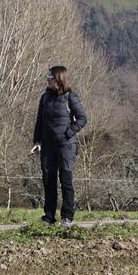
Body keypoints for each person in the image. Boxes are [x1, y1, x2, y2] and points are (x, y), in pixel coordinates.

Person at [30, 65, 88, 227]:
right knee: (49, 182)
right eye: (47, 77)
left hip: (66, 147)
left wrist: (67, 134)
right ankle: (49, 216)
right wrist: (37, 142)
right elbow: (39, 121)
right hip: (47, 147)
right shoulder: (45, 98)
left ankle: (67, 217)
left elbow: (82, 118)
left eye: (50, 77)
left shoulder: (70, 97)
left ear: (59, 79)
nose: (47, 80)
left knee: (66, 181)